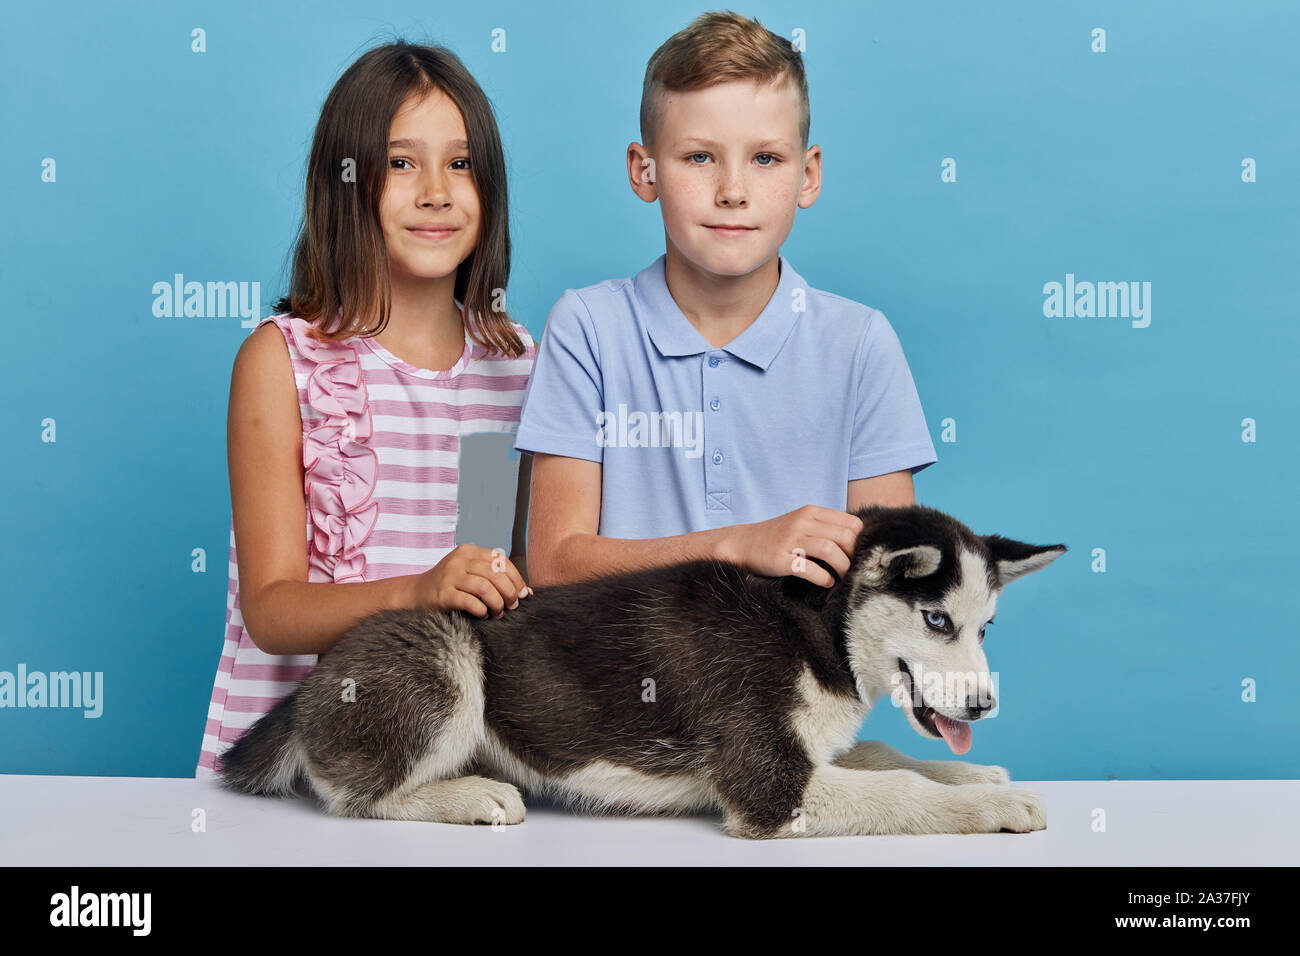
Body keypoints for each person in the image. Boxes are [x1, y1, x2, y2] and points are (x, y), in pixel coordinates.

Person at [197, 41, 534, 778]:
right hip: (293, 767)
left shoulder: (518, 368)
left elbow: (493, 582)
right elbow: (274, 610)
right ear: (346, 181)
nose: (437, 191)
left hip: (440, 768)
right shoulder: (281, 361)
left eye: (462, 163)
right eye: (402, 163)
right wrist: (418, 591)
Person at [515, 11, 938, 590]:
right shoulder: (588, 328)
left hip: (796, 681)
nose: (733, 192)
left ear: (808, 175)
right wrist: (737, 545)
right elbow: (555, 565)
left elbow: (886, 587)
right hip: (617, 678)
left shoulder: (860, 344)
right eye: (699, 157)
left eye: (765, 158)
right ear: (644, 171)